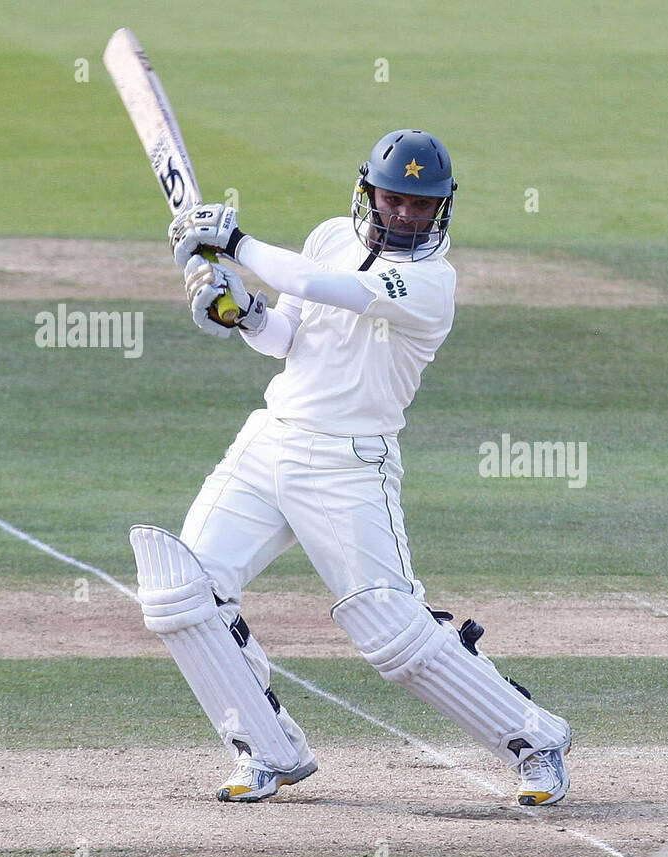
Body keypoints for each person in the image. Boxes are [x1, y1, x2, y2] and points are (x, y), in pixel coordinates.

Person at [128, 129, 572, 807]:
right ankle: (267, 750)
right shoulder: (331, 234)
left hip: (350, 463)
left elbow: (316, 285)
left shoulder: (431, 283)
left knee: (390, 630)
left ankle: (535, 740)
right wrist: (245, 314)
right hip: (269, 442)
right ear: (368, 192)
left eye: (421, 205)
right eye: (394, 200)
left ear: (442, 208)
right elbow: (291, 338)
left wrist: (233, 242)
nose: (406, 215)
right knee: (183, 593)